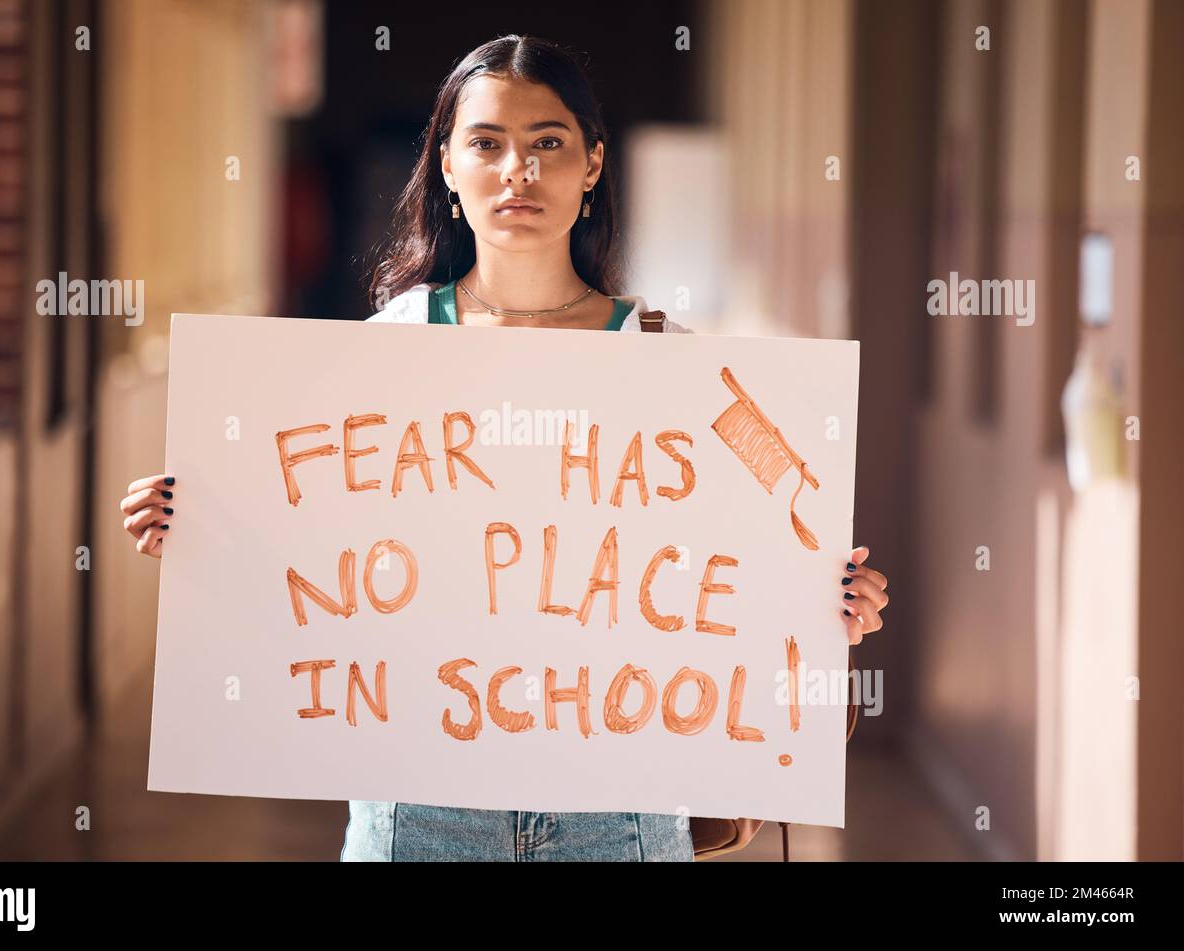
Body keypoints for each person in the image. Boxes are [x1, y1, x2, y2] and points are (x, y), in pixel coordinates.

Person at [119, 34, 890, 862]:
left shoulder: (676, 367)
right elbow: (308, 561)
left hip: (621, 817)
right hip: (416, 815)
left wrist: (822, 605)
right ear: (447, 164)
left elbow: (750, 564)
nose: (516, 170)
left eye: (547, 143)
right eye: (486, 143)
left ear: (592, 164)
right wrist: (197, 530)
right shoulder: (384, 352)